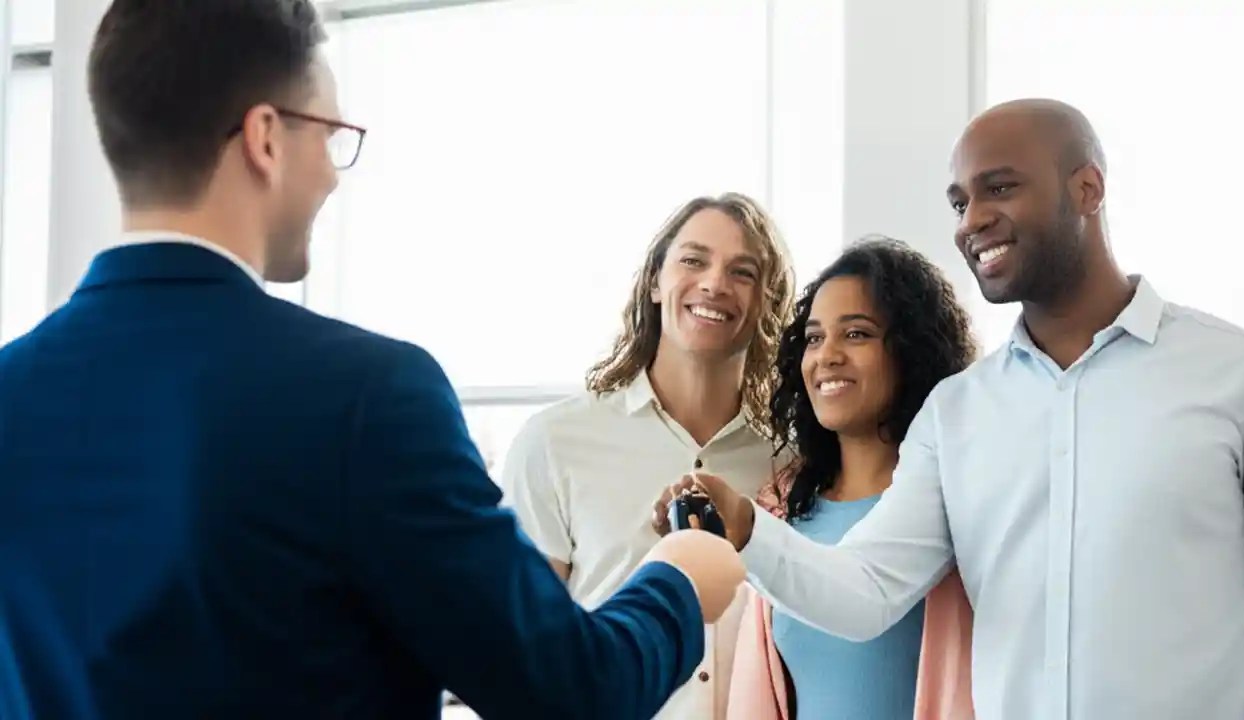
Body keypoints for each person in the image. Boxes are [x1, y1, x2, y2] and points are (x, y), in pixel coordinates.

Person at [0, 2, 746, 719]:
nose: (331, 172)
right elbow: (569, 689)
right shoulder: (366, 398)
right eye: (329, 134)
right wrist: (679, 578)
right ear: (265, 138)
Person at [658, 98, 1244, 719]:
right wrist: (743, 525)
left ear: (1088, 188)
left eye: (999, 189)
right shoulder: (954, 414)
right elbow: (866, 592)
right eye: (960, 203)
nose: (972, 221)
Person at [503, 192, 796, 719]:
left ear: (765, 304)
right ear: (655, 282)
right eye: (693, 260)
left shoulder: (791, 458)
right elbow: (526, 654)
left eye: (743, 272)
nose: (714, 283)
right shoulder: (555, 442)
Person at [668, 238, 977, 719]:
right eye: (814, 338)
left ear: (911, 351)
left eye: (855, 334)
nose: (826, 355)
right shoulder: (781, 506)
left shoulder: (958, 499)